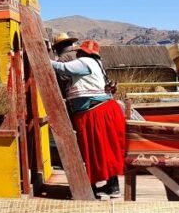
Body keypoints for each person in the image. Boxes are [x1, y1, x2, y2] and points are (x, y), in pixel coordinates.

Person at [50, 39, 126, 199]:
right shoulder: (97, 64)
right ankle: (112, 187)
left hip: (95, 112)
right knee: (105, 149)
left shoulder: (84, 62)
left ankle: (92, 187)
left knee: (93, 149)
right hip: (101, 110)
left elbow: (62, 68)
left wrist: (44, 60)